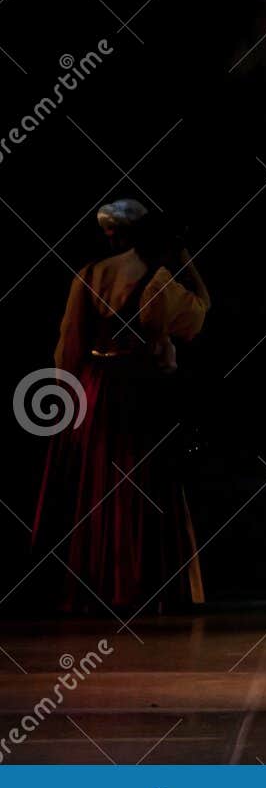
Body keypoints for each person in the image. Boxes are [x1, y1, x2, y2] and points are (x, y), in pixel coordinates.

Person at [31, 209, 210, 611]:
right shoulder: (158, 280)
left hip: (95, 390)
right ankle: (136, 583)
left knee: (96, 481)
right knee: (140, 481)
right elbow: (198, 314)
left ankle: (94, 583)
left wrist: (66, 397)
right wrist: (186, 259)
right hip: (136, 391)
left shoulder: (89, 275)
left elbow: (68, 346)